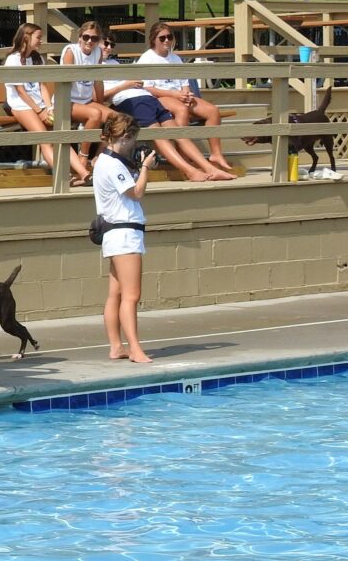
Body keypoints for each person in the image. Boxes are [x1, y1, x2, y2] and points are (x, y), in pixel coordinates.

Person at [107, 28, 234, 182]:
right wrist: (127, 85)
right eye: (104, 44)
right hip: (134, 101)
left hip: (146, 98)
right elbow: (100, 96)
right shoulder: (92, 67)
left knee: (179, 133)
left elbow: (145, 84)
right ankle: (189, 170)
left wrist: (186, 94)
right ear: (154, 39)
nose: (108, 47)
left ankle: (210, 167)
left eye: (111, 44)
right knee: (160, 134)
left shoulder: (114, 63)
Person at [93, 114, 157, 364]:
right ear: (126, 137)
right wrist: (144, 168)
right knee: (131, 296)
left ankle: (116, 346)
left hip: (114, 232)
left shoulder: (103, 161)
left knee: (116, 294)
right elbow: (137, 193)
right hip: (124, 234)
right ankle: (136, 350)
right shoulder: (113, 165)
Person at [138, 21, 236, 174]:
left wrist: (187, 94)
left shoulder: (175, 58)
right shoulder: (147, 58)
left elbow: (184, 83)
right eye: (162, 38)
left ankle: (216, 154)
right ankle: (184, 156)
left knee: (212, 111)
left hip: (178, 96)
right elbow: (147, 88)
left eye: (169, 37)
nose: (166, 41)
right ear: (153, 40)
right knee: (182, 110)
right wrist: (175, 94)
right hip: (158, 98)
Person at [4, 22, 91, 186]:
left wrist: (48, 108)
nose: (41, 40)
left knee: (61, 135)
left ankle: (84, 173)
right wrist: (39, 111)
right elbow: (21, 91)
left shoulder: (37, 58)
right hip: (20, 105)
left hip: (39, 105)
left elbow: (42, 86)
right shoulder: (13, 59)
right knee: (45, 138)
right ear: (26, 37)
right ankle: (64, 176)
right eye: (38, 37)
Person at [61, 21, 111, 169]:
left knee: (119, 120)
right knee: (95, 114)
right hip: (66, 100)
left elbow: (98, 82)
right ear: (80, 37)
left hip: (86, 101)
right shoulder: (71, 51)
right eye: (86, 37)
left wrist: (101, 104)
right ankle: (83, 157)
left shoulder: (97, 52)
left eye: (94, 38)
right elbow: (65, 82)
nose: (89, 41)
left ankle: (98, 157)